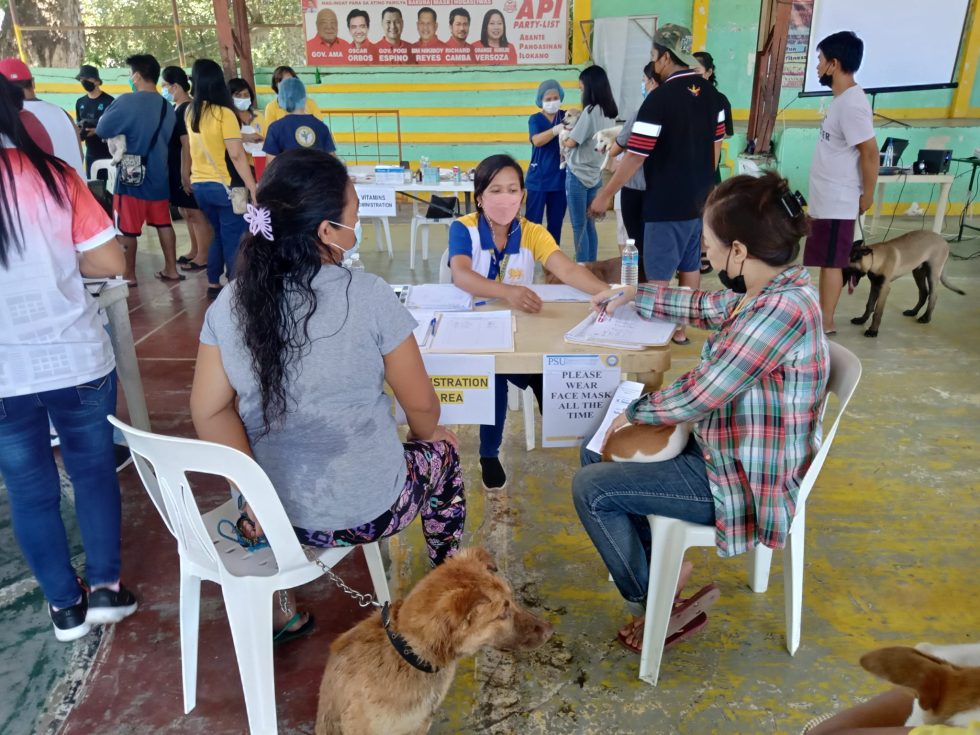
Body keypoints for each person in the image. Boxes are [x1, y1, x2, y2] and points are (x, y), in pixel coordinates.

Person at [191, 148, 465, 640]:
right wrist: (431, 436)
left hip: (271, 518)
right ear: (325, 232)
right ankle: (449, 579)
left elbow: (208, 410)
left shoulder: (231, 302)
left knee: (258, 455)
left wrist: (254, 491)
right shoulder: (369, 294)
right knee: (442, 453)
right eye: (352, 218)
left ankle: (283, 611)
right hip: (371, 509)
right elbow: (421, 405)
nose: (354, 229)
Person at [573, 172, 828, 655]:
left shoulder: (781, 311)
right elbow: (710, 304)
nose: (704, 254)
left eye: (708, 243)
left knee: (592, 488)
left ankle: (653, 603)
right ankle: (658, 575)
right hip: (722, 449)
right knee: (595, 452)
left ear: (738, 251)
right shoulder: (771, 291)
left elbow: (702, 394)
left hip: (743, 480)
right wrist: (638, 294)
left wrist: (634, 410)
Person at [0, 75, 138, 643]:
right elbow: (108, 259)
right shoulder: (56, 179)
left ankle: (64, 606)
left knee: (28, 490)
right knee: (92, 471)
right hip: (76, 359)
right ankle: (105, 587)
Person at [447, 154, 609, 490]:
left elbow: (566, 269)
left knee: (550, 354)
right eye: (495, 190)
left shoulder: (532, 232)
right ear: (479, 196)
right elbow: (461, 274)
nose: (504, 198)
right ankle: (489, 452)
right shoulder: (463, 229)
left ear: (523, 194)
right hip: (472, 327)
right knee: (495, 373)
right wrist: (506, 291)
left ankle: (542, 390)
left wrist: (607, 292)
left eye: (512, 190)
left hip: (517, 326)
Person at [588, 24, 726, 344]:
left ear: (664, 57)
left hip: (665, 204)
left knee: (659, 275)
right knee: (690, 266)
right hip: (699, 203)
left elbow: (635, 157)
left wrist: (605, 194)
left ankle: (657, 335)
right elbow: (715, 153)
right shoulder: (714, 97)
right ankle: (680, 328)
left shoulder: (659, 99)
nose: (655, 64)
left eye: (654, 57)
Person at [803, 31, 877, 336]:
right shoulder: (841, 101)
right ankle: (823, 316)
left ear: (834, 63)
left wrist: (867, 195)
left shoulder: (852, 105)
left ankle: (827, 323)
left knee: (833, 263)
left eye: (820, 61)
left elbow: (870, 153)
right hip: (826, 199)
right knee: (824, 261)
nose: (817, 67)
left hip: (839, 200)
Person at [96, 54, 179, 286]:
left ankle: (129, 275)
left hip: (130, 178)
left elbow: (102, 129)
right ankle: (171, 269)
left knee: (127, 229)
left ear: (137, 75)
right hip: (158, 176)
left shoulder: (126, 101)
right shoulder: (167, 107)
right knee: (164, 223)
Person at [186, 59, 257, 299]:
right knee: (235, 237)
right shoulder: (224, 114)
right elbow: (236, 155)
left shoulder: (190, 112)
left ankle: (213, 282)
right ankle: (237, 286)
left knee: (218, 233)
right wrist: (253, 187)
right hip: (226, 187)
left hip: (200, 186)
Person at [606, 62, 656, 282]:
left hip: (636, 187)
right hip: (661, 189)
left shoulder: (645, 112)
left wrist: (605, 193)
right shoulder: (680, 111)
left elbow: (618, 146)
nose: (643, 85)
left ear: (653, 82)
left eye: (644, 81)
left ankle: (639, 287)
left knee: (635, 242)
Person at [563, 65, 617, 263]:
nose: (581, 92)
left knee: (579, 226)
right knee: (590, 225)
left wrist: (563, 137)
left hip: (578, 174)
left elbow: (572, 141)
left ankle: (583, 268)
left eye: (581, 88)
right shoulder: (610, 111)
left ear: (590, 87)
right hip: (595, 174)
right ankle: (592, 266)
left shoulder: (590, 111)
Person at [161, 66, 212, 273]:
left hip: (186, 166)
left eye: (165, 85)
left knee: (194, 212)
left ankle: (204, 255)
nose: (164, 89)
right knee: (185, 211)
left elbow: (187, 144)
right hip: (175, 166)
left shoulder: (187, 109)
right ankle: (194, 249)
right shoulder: (177, 108)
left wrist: (185, 172)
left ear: (176, 86)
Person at [0, 57, 85, 178]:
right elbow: (79, 157)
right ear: (33, 83)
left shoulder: (11, 119)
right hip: (76, 192)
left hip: (40, 195)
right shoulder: (64, 115)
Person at [525, 79, 567, 246]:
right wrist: (556, 130)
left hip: (560, 179)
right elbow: (537, 140)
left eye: (555, 98)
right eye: (548, 99)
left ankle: (551, 264)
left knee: (555, 225)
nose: (552, 102)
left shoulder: (565, 116)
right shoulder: (535, 119)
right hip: (538, 179)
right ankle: (526, 258)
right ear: (541, 101)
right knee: (532, 224)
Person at [262, 77, 336, 162]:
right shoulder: (321, 126)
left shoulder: (275, 128)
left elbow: (272, 165)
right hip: (318, 175)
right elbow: (332, 161)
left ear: (282, 98)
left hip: (287, 175)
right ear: (304, 98)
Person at [74, 64, 114, 178]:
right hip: (90, 154)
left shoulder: (109, 101)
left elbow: (115, 129)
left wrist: (97, 131)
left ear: (96, 81)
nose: (83, 82)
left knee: (109, 190)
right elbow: (79, 125)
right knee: (93, 189)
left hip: (108, 153)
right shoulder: (80, 102)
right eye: (81, 80)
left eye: (86, 79)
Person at [228, 77, 265, 167]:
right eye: (238, 95)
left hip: (260, 164)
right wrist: (246, 137)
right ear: (230, 97)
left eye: (246, 95)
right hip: (237, 168)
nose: (243, 98)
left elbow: (268, 139)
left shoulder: (258, 116)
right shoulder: (228, 118)